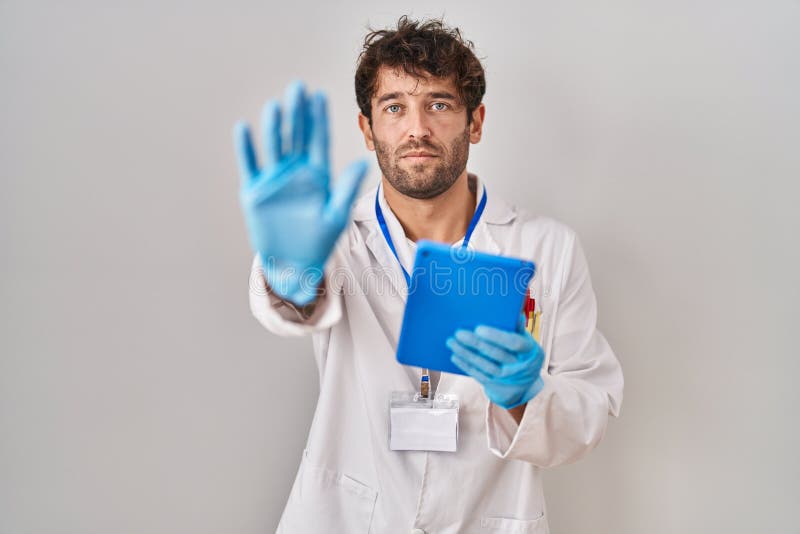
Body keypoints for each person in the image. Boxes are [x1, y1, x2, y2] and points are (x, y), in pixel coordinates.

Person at [233, 16, 623, 534]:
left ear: (475, 122)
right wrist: (290, 271)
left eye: (439, 104)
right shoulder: (335, 238)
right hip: (344, 518)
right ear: (367, 130)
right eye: (394, 107)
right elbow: (290, 304)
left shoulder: (547, 247)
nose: (417, 128)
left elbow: (590, 409)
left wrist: (525, 396)